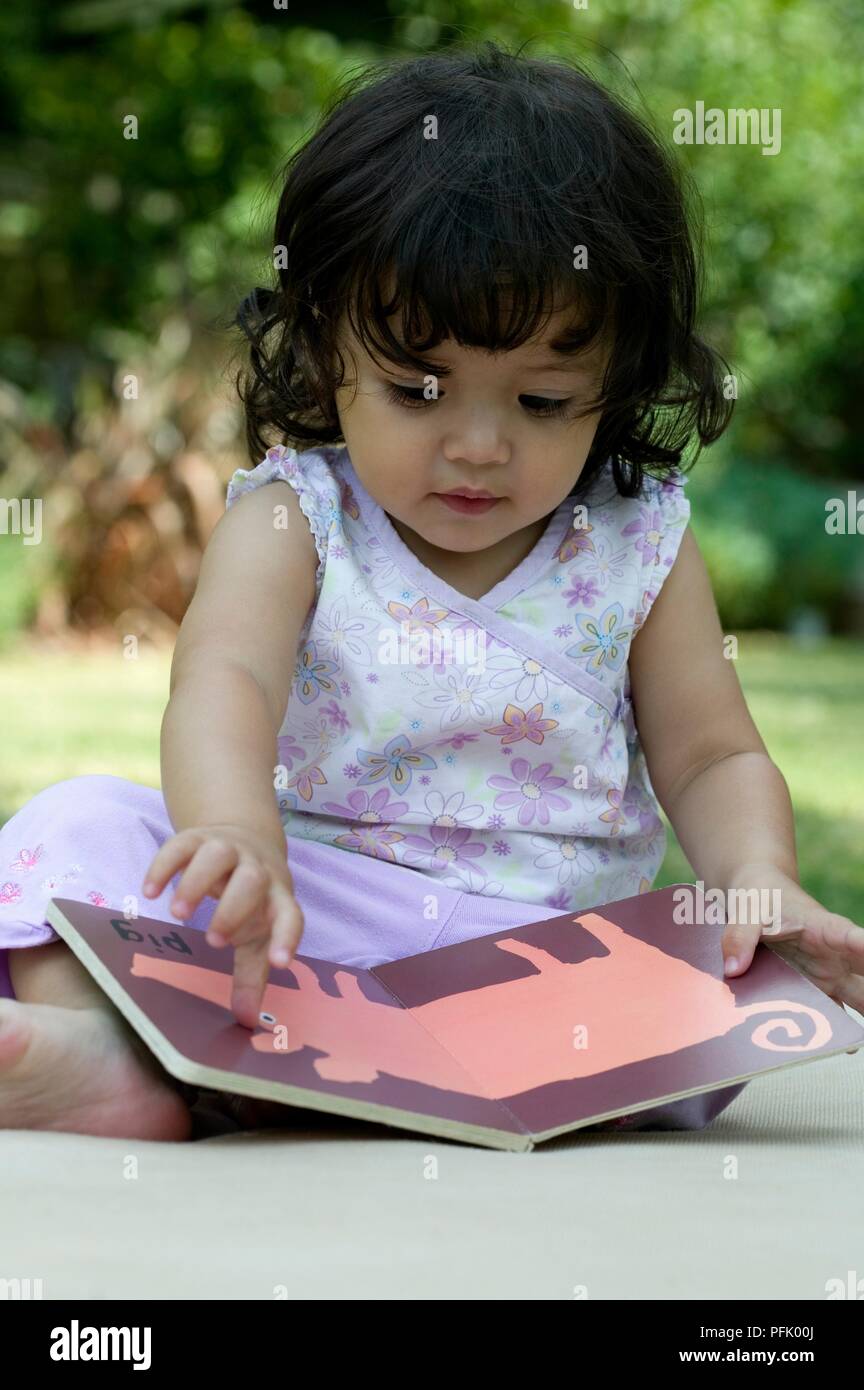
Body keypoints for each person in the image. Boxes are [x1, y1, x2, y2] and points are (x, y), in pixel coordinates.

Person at [1, 42, 860, 1142]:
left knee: (722, 977)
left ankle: (255, 1078)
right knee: (75, 821)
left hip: (547, 956)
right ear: (323, 345)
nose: (479, 446)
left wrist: (758, 881)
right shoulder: (295, 517)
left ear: (618, 380)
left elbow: (713, 755)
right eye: (419, 388)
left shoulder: (637, 540)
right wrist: (238, 837)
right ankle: (114, 1058)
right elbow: (226, 681)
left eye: (544, 401)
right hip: (312, 928)